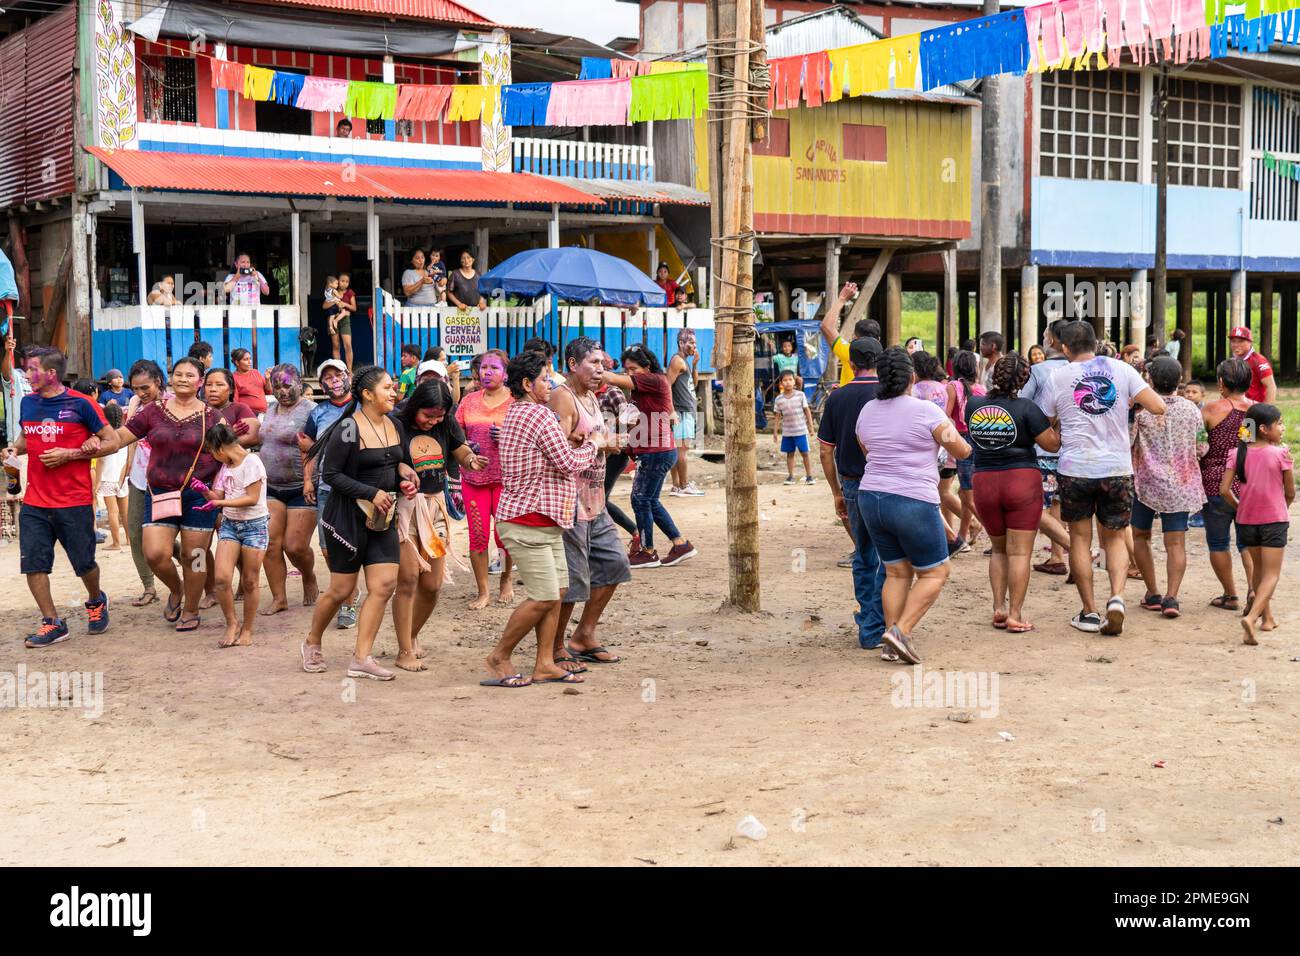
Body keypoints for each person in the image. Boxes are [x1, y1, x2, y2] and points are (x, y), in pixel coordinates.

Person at [481, 350, 599, 687]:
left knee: (557, 590)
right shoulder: (541, 415)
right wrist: (594, 444)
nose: (550, 384)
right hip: (528, 520)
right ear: (526, 383)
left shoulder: (520, 412)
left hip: (537, 520)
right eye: (545, 378)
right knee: (546, 595)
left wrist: (572, 442)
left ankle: (545, 662)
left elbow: (549, 453)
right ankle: (499, 656)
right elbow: (568, 463)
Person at [1044, 320, 1165, 635]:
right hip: (1116, 467)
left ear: (1065, 347)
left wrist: (1061, 430)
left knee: (1081, 540)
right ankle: (1117, 598)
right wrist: (1127, 402)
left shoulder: (1057, 377)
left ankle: (1089, 611)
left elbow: (1044, 421)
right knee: (1115, 537)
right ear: (1096, 344)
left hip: (1075, 469)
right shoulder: (1122, 370)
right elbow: (1159, 405)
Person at [855, 347, 971, 664]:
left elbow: (865, 449)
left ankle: (892, 641)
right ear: (913, 378)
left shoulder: (867, 411)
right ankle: (901, 631)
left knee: (896, 571)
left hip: (871, 498)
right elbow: (960, 450)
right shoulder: (926, 411)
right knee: (936, 571)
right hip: (912, 499)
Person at [302, 366, 418, 681]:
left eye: (394, 387)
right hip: (346, 519)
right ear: (367, 394)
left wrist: (405, 476)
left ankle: (361, 657)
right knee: (342, 589)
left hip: (381, 517)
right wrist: (372, 491)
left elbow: (395, 463)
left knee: (383, 585)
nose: (394, 392)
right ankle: (312, 641)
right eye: (388, 388)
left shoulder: (395, 424)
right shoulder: (349, 429)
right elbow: (331, 475)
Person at [11, 346, 118, 647]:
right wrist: (12, 449)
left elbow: (113, 441)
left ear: (51, 373)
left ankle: (96, 600)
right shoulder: (28, 403)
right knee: (33, 564)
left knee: (84, 563)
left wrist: (71, 454)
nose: (27, 375)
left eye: (33, 369)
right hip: (34, 500)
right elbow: (26, 437)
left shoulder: (82, 404)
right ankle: (52, 622)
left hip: (74, 499)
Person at [116, 357, 223, 632]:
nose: (183, 379)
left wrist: (221, 496)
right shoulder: (153, 411)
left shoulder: (212, 416)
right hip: (160, 492)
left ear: (200, 382)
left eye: (190, 375)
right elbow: (122, 436)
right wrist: (94, 440)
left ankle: (190, 610)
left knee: (195, 555)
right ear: (170, 379)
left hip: (199, 498)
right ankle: (176, 590)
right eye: (178, 374)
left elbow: (227, 454)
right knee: (154, 553)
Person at [549, 337, 632, 669]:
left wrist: (607, 443)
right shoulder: (563, 397)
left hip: (596, 502)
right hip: (570, 504)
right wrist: (599, 444)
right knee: (572, 581)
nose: (602, 370)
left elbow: (589, 440)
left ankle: (584, 635)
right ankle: (555, 647)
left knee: (615, 565)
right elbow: (558, 453)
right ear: (573, 365)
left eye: (603, 364)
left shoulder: (591, 398)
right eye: (594, 363)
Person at [392, 379, 485, 672]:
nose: (432, 421)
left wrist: (471, 461)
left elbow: (460, 451)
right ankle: (404, 649)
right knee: (407, 579)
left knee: (431, 586)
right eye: (427, 415)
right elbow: (385, 460)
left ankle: (412, 633)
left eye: (438, 416)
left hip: (434, 508)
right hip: (403, 509)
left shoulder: (446, 424)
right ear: (415, 407)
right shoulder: (396, 423)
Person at [965, 353, 1060, 633]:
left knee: (998, 549)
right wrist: (1058, 422)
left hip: (984, 480)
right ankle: (1016, 615)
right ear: (1023, 379)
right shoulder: (1028, 409)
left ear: (994, 375)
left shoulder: (974, 404)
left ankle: (998, 608)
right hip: (1021, 479)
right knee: (1019, 554)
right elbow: (1052, 445)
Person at [817, 336, 886, 652]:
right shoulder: (889, 395)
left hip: (854, 482)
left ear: (851, 364)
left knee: (864, 553)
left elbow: (824, 451)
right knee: (891, 556)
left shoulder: (838, 398)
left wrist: (835, 492)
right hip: (888, 482)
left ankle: (868, 618)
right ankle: (881, 620)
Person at [603, 344, 697, 569]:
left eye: (633, 368)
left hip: (656, 452)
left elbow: (613, 380)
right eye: (626, 369)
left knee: (640, 500)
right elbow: (634, 419)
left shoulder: (654, 379)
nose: (629, 373)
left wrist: (595, 370)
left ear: (647, 366)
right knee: (649, 501)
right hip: (654, 451)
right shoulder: (642, 388)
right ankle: (680, 544)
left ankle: (648, 551)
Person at [1130, 356, 1205, 619]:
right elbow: (1202, 447)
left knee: (1140, 536)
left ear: (1149, 380)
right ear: (1179, 382)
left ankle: (1152, 593)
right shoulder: (1192, 410)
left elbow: (1129, 442)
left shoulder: (1142, 413)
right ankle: (1172, 598)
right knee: (1176, 543)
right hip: (1181, 485)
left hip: (1146, 485)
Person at [1223, 403, 1292, 645]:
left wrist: (1241, 507)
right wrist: (1282, 508)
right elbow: (1291, 492)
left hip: (1246, 522)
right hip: (1274, 520)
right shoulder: (1281, 454)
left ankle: (1267, 618)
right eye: (1280, 423)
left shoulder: (1236, 453)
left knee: (1259, 573)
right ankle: (1252, 618)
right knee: (1271, 575)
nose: (1283, 428)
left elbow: (1224, 491)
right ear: (1263, 429)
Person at [256, 364, 318, 614]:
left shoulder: (311, 412)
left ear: (299, 384)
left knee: (295, 546)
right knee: (270, 543)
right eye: (277, 386)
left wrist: (308, 480)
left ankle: (308, 574)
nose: (282, 391)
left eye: (287, 385)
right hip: (271, 487)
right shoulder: (270, 409)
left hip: (301, 487)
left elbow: (316, 448)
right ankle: (279, 598)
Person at [302, 359, 360, 628]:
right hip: (327, 488)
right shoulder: (317, 413)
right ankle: (347, 590)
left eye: (338, 375)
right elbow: (309, 449)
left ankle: (347, 601)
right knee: (327, 548)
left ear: (348, 376)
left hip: (361, 487)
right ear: (321, 384)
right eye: (327, 377)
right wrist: (308, 481)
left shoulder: (364, 405)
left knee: (354, 544)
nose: (334, 381)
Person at [454, 348, 514, 608]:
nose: (487, 372)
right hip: (474, 480)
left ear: (506, 373)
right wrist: (466, 447)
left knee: (505, 537)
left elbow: (530, 440)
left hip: (506, 481)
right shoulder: (469, 401)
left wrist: (508, 437)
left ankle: (505, 580)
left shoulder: (516, 402)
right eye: (484, 368)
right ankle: (483, 591)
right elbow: (456, 437)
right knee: (477, 537)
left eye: (494, 368)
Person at [200, 421, 268, 647]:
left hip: (254, 526)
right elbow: (217, 495)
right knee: (221, 578)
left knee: (250, 580)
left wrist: (219, 501)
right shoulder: (225, 467)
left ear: (219, 449)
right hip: (230, 524)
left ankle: (247, 629)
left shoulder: (252, 462)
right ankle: (232, 623)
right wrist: (204, 492)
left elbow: (252, 498)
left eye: (212, 452)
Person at [1199, 357, 1255, 612]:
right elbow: (1250, 446)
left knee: (1219, 542)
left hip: (1215, 484)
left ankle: (1231, 595)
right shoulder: (1255, 411)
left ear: (1221, 382)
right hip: (1246, 484)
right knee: (1247, 543)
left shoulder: (1210, 410)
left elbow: (1198, 448)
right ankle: (1253, 590)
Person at [1021, 319, 1075, 576]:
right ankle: (1057, 557)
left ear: (1052, 340)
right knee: (1059, 505)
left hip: (1043, 450)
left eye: (1045, 335)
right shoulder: (1079, 369)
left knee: (1037, 508)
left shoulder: (1039, 371)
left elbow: (1024, 404)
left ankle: (1071, 550)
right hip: (1073, 451)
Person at [122, 360, 166, 607]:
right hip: (139, 478)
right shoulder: (135, 403)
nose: (140, 393)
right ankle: (148, 586)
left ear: (158, 382)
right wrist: (127, 467)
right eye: (136, 388)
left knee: (168, 535)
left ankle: (197, 576)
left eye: (145, 387)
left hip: (169, 480)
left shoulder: (172, 402)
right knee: (136, 533)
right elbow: (131, 437)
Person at [596, 353, 638, 540]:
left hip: (616, 454)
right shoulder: (591, 393)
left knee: (600, 499)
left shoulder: (612, 392)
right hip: (602, 453)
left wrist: (611, 433)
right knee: (597, 499)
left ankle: (635, 532)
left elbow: (630, 417)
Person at [946, 350, 985, 550]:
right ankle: (963, 534)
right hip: (981, 441)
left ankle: (990, 530)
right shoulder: (981, 389)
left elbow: (945, 416)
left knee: (968, 495)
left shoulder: (953, 386)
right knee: (966, 491)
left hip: (962, 439)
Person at [819, 281, 880, 387]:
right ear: (878, 339)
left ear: (855, 338)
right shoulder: (885, 358)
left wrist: (842, 299)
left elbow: (826, 326)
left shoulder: (849, 351)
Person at [668, 327, 704, 496]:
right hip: (681, 411)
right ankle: (683, 485)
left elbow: (693, 385)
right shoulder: (677, 361)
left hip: (685, 410)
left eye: (694, 343)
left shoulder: (685, 361)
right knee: (682, 450)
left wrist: (695, 364)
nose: (693, 346)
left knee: (678, 449)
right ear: (681, 343)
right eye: (690, 342)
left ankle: (676, 486)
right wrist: (671, 410)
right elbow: (666, 386)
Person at [95, 402, 130, 551]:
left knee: (113, 512)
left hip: (107, 478)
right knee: (125, 512)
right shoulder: (126, 435)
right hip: (122, 478)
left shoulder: (104, 436)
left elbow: (100, 463)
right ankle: (129, 539)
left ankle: (116, 543)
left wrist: (96, 483)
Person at [772, 369, 815, 485]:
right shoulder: (779, 399)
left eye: (790, 379)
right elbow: (777, 416)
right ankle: (791, 477)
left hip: (801, 431)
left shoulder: (800, 395)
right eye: (785, 380)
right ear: (781, 383)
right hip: (787, 432)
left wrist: (811, 427)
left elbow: (807, 411)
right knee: (790, 454)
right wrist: (775, 432)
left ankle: (809, 476)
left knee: (805, 453)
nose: (788, 382)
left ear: (794, 382)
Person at [202, 368, 260, 446]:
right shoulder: (198, 409)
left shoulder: (239, 408)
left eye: (219, 385)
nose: (213, 389)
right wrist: (228, 435)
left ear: (231, 389)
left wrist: (219, 443)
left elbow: (253, 437)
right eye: (208, 385)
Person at [1228, 325, 1277, 404]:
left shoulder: (1259, 361)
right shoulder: (1232, 361)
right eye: (1233, 341)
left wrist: (1266, 411)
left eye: (1241, 341)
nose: (1236, 344)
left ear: (1249, 342)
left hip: (1254, 409)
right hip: (1237, 408)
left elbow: (1271, 386)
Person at [329, 273, 357, 371]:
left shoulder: (350, 293)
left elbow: (354, 308)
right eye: (342, 281)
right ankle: (339, 370)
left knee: (348, 345)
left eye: (347, 282)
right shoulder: (332, 291)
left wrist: (345, 304)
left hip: (345, 320)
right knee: (336, 345)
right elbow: (326, 305)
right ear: (338, 281)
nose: (344, 283)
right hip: (333, 319)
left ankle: (349, 370)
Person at [230, 349, 268, 415]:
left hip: (264, 414)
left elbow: (268, 391)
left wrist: (267, 379)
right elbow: (235, 402)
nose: (249, 362)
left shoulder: (256, 373)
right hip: (248, 414)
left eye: (250, 359)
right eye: (245, 359)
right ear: (237, 362)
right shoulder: (234, 378)